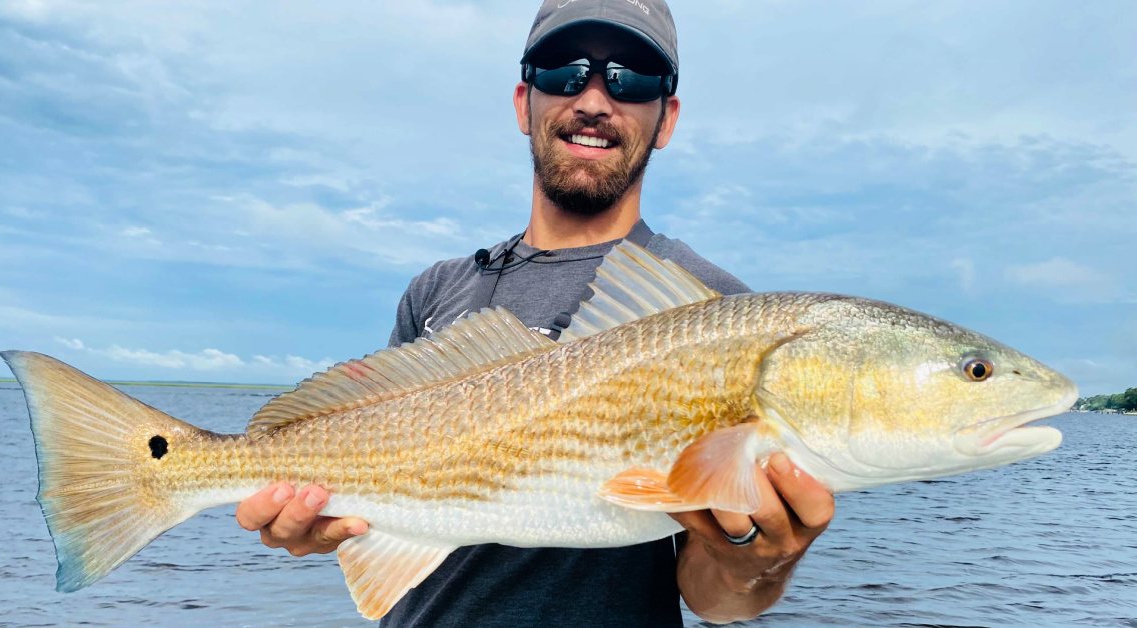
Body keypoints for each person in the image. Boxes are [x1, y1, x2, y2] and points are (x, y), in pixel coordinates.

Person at [235, 1, 835, 625]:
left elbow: (713, 600)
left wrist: (754, 560)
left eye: (633, 78)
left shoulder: (715, 310)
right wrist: (312, 522)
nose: (596, 100)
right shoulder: (437, 290)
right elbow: (375, 507)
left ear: (666, 119)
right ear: (524, 102)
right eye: (564, 71)